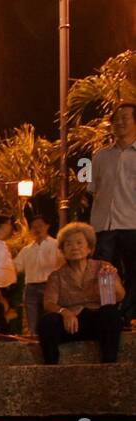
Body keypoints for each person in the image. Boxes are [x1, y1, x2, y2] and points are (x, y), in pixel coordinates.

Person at [39, 221, 125, 365]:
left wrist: (113, 280)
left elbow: (120, 296)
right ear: (63, 250)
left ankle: (109, 364)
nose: (74, 248)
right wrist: (64, 312)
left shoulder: (103, 267)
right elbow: (48, 303)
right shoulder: (57, 276)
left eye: (79, 243)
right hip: (71, 324)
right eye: (69, 244)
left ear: (89, 248)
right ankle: (51, 367)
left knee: (110, 312)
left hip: (97, 321)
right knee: (47, 322)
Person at [89, 102, 136, 323]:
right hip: (104, 225)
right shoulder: (100, 156)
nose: (119, 122)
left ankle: (127, 315)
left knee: (133, 272)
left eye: (125, 117)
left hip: (132, 223)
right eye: (116, 118)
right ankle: (107, 314)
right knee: (104, 272)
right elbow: (94, 190)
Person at [14, 214, 63, 337]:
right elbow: (16, 267)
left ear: (47, 226)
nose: (37, 229)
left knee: (50, 317)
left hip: (50, 286)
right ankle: (33, 340)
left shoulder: (56, 245)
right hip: (31, 287)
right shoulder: (27, 250)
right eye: (34, 227)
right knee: (32, 321)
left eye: (40, 226)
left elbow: (63, 264)